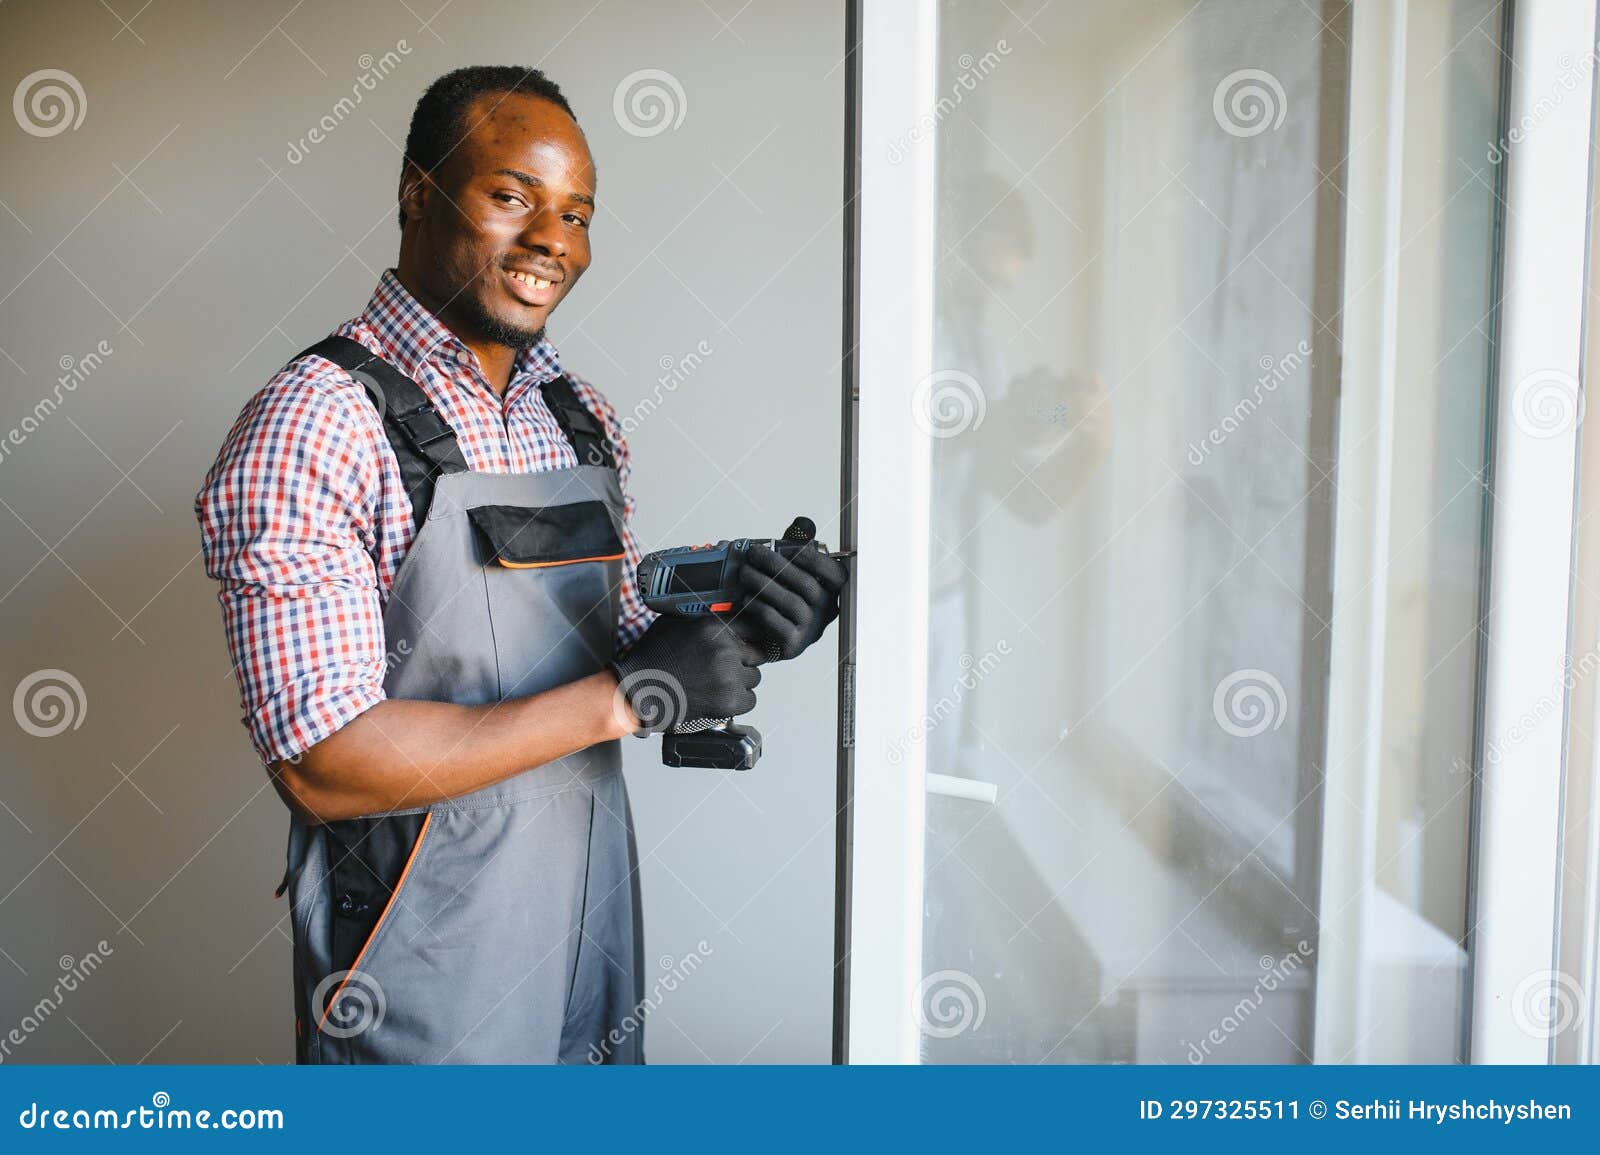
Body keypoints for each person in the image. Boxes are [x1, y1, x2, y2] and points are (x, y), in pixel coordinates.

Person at [194, 66, 847, 1064]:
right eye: (513, 197)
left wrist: (743, 619)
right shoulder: (317, 421)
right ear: (419, 194)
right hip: (419, 978)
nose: (554, 239)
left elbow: (595, 639)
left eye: (578, 214)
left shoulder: (578, 417)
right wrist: (632, 696)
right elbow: (323, 763)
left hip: (592, 946)